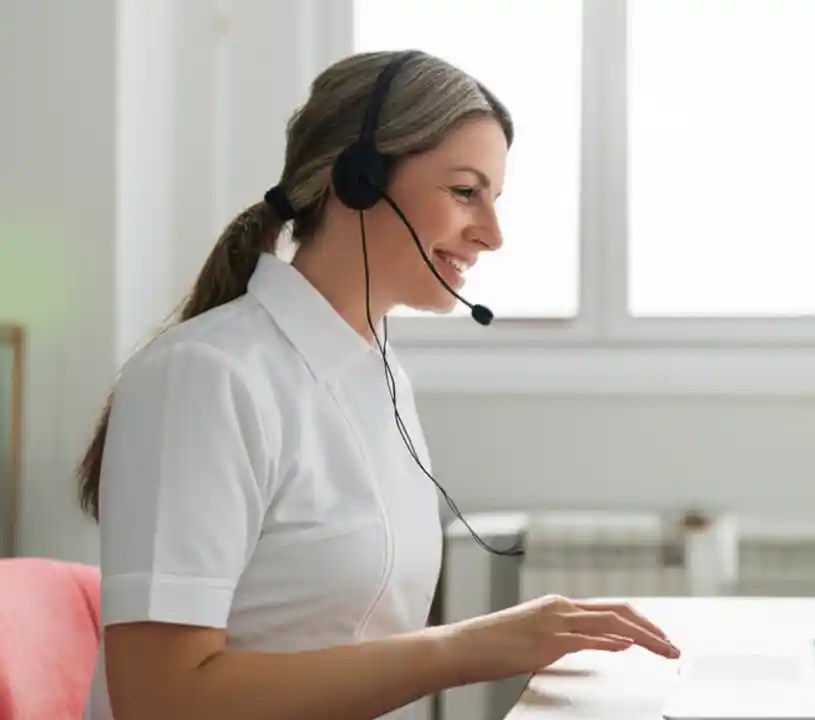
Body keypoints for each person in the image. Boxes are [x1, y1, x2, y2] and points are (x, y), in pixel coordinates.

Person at [77, 50, 679, 720]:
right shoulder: (204, 378)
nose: (492, 234)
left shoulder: (381, 377)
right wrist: (466, 649)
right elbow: (161, 698)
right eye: (464, 192)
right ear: (357, 180)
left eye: (494, 198)